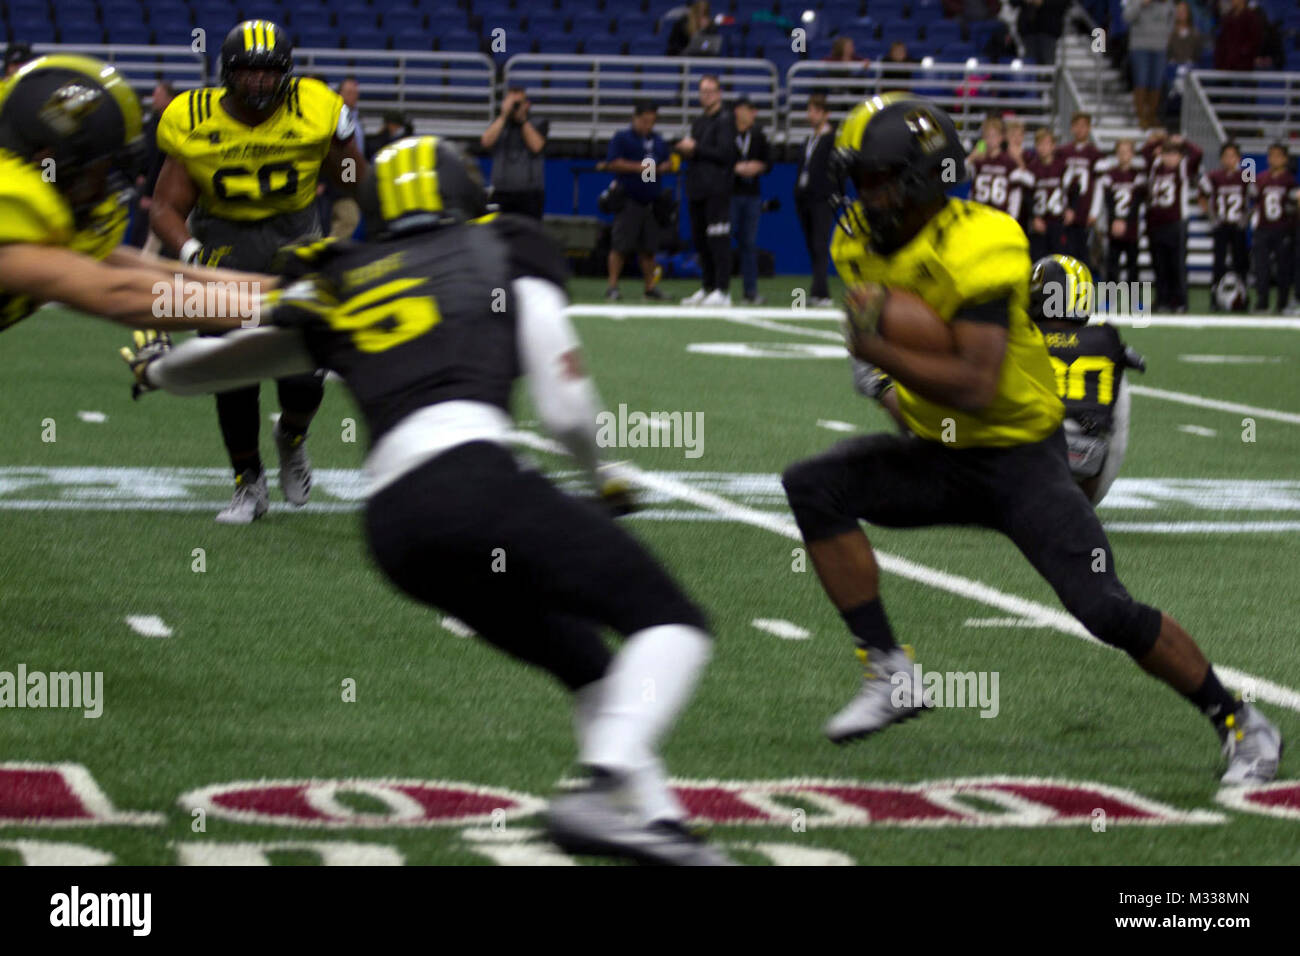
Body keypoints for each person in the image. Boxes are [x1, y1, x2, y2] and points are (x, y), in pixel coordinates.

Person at [122, 135, 732, 866]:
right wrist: (600, 474)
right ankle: (603, 793)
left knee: (587, 665)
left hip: (397, 530)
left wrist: (160, 371)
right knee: (672, 621)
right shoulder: (503, 246)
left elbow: (236, 358)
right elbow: (566, 407)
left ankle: (660, 823)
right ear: (467, 195)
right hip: (472, 479)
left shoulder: (342, 275)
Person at [781, 92, 1279, 785]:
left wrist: (881, 353)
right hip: (940, 453)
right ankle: (888, 671)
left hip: (1018, 456)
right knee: (812, 484)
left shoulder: (985, 240)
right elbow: (908, 359)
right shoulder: (857, 242)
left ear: (921, 178)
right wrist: (891, 391)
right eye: (856, 178)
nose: (861, 196)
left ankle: (1240, 721)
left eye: (874, 178)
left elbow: (975, 382)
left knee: (1105, 607)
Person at [150, 20, 369, 524]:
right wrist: (190, 254)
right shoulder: (193, 116)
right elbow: (164, 206)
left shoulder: (314, 107)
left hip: (296, 240)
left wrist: (361, 178)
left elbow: (352, 176)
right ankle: (247, 482)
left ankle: (291, 436)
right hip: (224, 242)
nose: (258, 82)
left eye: (269, 72)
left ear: (287, 75)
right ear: (226, 73)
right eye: (247, 70)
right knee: (233, 370)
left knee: (304, 369)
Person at [0, 55, 271, 335]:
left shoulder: (42, 207)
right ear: (50, 159)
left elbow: (138, 272)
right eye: (99, 170)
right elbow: (117, 292)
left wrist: (278, 289)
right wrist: (272, 311)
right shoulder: (12, 200)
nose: (106, 188)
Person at [1029, 254, 1146, 505]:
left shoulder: (1019, 339)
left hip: (1017, 469)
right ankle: (1082, 504)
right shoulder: (1106, 343)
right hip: (1084, 470)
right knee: (1117, 383)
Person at [601, 101, 673, 301]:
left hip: (651, 200)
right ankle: (612, 286)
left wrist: (663, 167)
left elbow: (667, 161)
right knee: (620, 246)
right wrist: (638, 168)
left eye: (651, 121)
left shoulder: (657, 140)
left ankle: (650, 288)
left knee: (649, 249)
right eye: (644, 121)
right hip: (629, 199)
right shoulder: (622, 138)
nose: (647, 125)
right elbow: (613, 162)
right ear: (635, 118)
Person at [677, 75, 735, 307]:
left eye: (710, 91)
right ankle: (708, 286)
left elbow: (725, 154)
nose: (706, 96)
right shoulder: (699, 121)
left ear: (719, 93)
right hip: (698, 187)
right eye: (702, 91)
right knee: (700, 240)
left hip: (717, 189)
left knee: (718, 239)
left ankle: (723, 290)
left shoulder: (725, 120)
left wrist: (696, 148)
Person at [1144, 133, 1201, 312]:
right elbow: (1145, 151)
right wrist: (1161, 140)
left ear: (1180, 156)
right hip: (1155, 223)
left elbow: (1198, 153)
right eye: (1166, 153)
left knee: (1176, 265)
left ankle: (1180, 301)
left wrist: (1182, 141)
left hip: (1176, 223)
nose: (1170, 157)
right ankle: (1162, 300)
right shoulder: (1155, 166)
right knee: (1159, 264)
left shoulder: (1183, 168)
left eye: (1174, 153)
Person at [480, 86, 548, 219]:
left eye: (518, 103)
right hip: (501, 192)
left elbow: (537, 146)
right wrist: (504, 115)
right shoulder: (499, 123)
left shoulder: (538, 123)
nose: (514, 107)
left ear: (527, 105)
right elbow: (485, 142)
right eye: (512, 103)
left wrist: (522, 120)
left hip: (529, 195)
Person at [1198, 141, 1251, 309]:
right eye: (1226, 156)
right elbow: (1202, 196)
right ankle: (1215, 297)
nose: (1229, 160)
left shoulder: (1245, 176)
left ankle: (1242, 297)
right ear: (1221, 158)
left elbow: (1256, 198)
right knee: (1219, 262)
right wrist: (1211, 216)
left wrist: (1246, 217)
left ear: (1239, 158)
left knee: (1240, 262)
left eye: (1233, 156)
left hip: (1238, 225)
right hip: (1221, 225)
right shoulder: (1213, 176)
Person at [795, 92, 836, 308]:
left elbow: (836, 171)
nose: (811, 115)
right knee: (813, 245)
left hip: (822, 199)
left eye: (816, 111)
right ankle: (818, 290)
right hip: (806, 198)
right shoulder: (809, 139)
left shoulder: (831, 140)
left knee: (820, 244)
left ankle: (822, 293)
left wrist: (832, 193)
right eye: (810, 110)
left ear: (826, 114)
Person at [730, 95, 771, 306]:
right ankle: (720, 289)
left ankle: (750, 291)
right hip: (731, 193)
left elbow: (768, 162)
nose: (753, 114)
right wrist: (734, 168)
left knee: (749, 243)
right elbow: (719, 159)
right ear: (738, 110)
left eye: (754, 110)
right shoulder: (727, 133)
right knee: (723, 242)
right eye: (749, 109)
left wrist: (758, 166)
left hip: (752, 195)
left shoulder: (758, 134)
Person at [1090, 138, 1147, 284]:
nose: (1123, 156)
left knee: (1133, 264)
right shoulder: (1110, 175)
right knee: (1111, 263)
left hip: (1131, 226)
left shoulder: (1138, 175)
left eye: (1127, 152)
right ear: (1116, 154)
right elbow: (1109, 202)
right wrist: (1115, 220)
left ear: (1132, 154)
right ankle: (1109, 298)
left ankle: (1134, 300)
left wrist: (1125, 221)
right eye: (1120, 152)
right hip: (1113, 225)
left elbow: (1136, 202)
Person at [128, 81, 177, 248]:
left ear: (168, 98)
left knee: (148, 233)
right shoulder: (154, 120)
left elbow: (160, 160)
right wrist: (140, 174)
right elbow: (147, 153)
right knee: (142, 234)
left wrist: (150, 193)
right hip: (148, 182)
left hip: (161, 186)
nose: (154, 99)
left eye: (158, 95)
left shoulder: (171, 123)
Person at [1249, 143, 1294, 314]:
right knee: (1261, 267)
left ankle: (1282, 303)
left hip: (1282, 228)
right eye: (1271, 155)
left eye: (1278, 156)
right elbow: (1253, 199)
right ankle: (1262, 302)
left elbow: (1291, 205)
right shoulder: (1261, 178)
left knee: (1283, 267)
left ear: (1285, 159)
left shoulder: (1289, 180)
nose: (1274, 159)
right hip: (1263, 228)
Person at [1057, 112, 1105, 268]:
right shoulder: (1063, 152)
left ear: (1089, 128)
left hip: (1084, 209)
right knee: (1065, 255)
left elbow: (1099, 185)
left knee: (1083, 254)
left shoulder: (1095, 154)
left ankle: (1084, 290)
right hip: (1064, 210)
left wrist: (1094, 212)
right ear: (1071, 128)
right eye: (1077, 126)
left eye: (1084, 126)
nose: (1080, 130)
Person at [1123, 0, 1176, 130]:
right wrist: (1141, 4)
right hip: (1140, 46)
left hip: (1160, 46)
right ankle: (1141, 117)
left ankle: (1151, 116)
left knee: (1156, 82)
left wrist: (1166, 35)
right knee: (1141, 80)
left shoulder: (1167, 2)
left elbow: (1172, 18)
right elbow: (1126, 17)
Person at [328, 76, 365, 239]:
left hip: (354, 179)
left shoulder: (356, 119)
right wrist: (347, 182)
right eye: (349, 92)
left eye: (355, 92)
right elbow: (341, 153)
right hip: (341, 181)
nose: (353, 96)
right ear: (340, 94)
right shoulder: (336, 117)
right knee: (348, 221)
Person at [1026, 128, 1069, 261]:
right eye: (1040, 144)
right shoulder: (1032, 168)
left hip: (1057, 221)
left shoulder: (1062, 167)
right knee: (1038, 263)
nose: (1043, 148)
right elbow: (1027, 196)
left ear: (1053, 146)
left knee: (1059, 262)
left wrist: (1071, 209)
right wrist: (1034, 218)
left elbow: (1074, 189)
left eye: (1046, 144)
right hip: (1039, 222)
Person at [1010, 0, 1069, 66]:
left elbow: (1065, 3)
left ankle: (1047, 75)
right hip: (1028, 29)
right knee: (1030, 62)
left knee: (1048, 62)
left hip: (1049, 29)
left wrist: (1043, 2)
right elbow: (1013, 2)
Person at [1214, 0, 1262, 72]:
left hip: (1244, 67)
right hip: (1226, 67)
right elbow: (1222, 42)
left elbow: (1254, 41)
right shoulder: (1227, 18)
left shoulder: (1251, 17)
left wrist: (1242, 54)